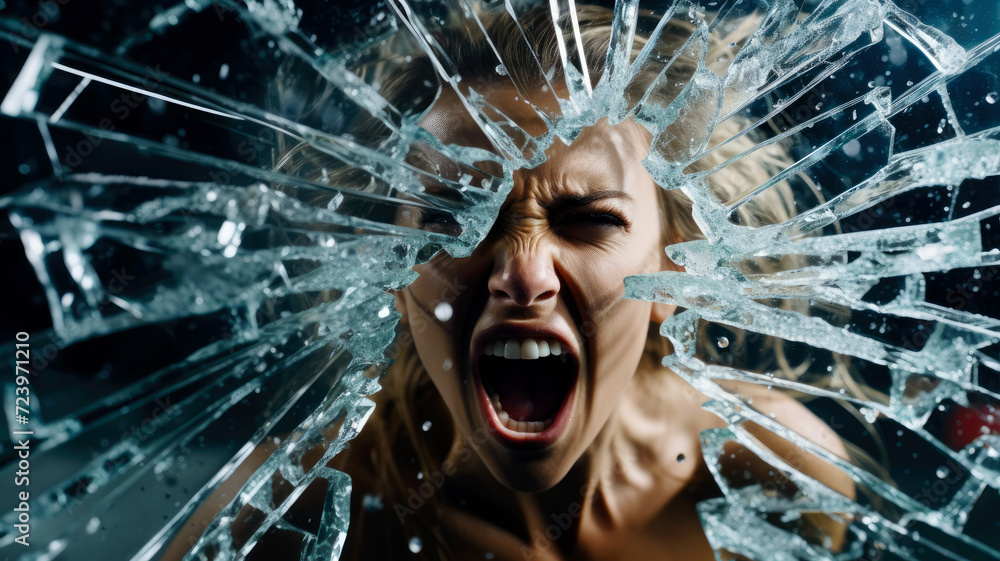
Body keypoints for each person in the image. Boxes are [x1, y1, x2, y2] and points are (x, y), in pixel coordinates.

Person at [164, 5, 856, 560]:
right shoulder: (290, 517)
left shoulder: (775, 475)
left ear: (677, 269)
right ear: (392, 270)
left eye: (588, 220)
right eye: (455, 217)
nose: (521, 273)